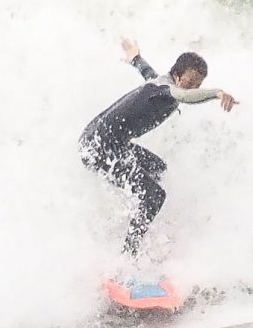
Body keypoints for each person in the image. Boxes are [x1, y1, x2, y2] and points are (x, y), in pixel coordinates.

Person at [79, 37, 237, 255]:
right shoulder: (167, 90)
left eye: (197, 85)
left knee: (158, 168)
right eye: (190, 83)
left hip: (103, 141)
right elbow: (183, 95)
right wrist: (216, 92)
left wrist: (135, 57)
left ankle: (135, 220)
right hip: (100, 148)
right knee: (154, 196)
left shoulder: (157, 81)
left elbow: (145, 70)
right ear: (177, 74)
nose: (193, 88)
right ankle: (128, 256)